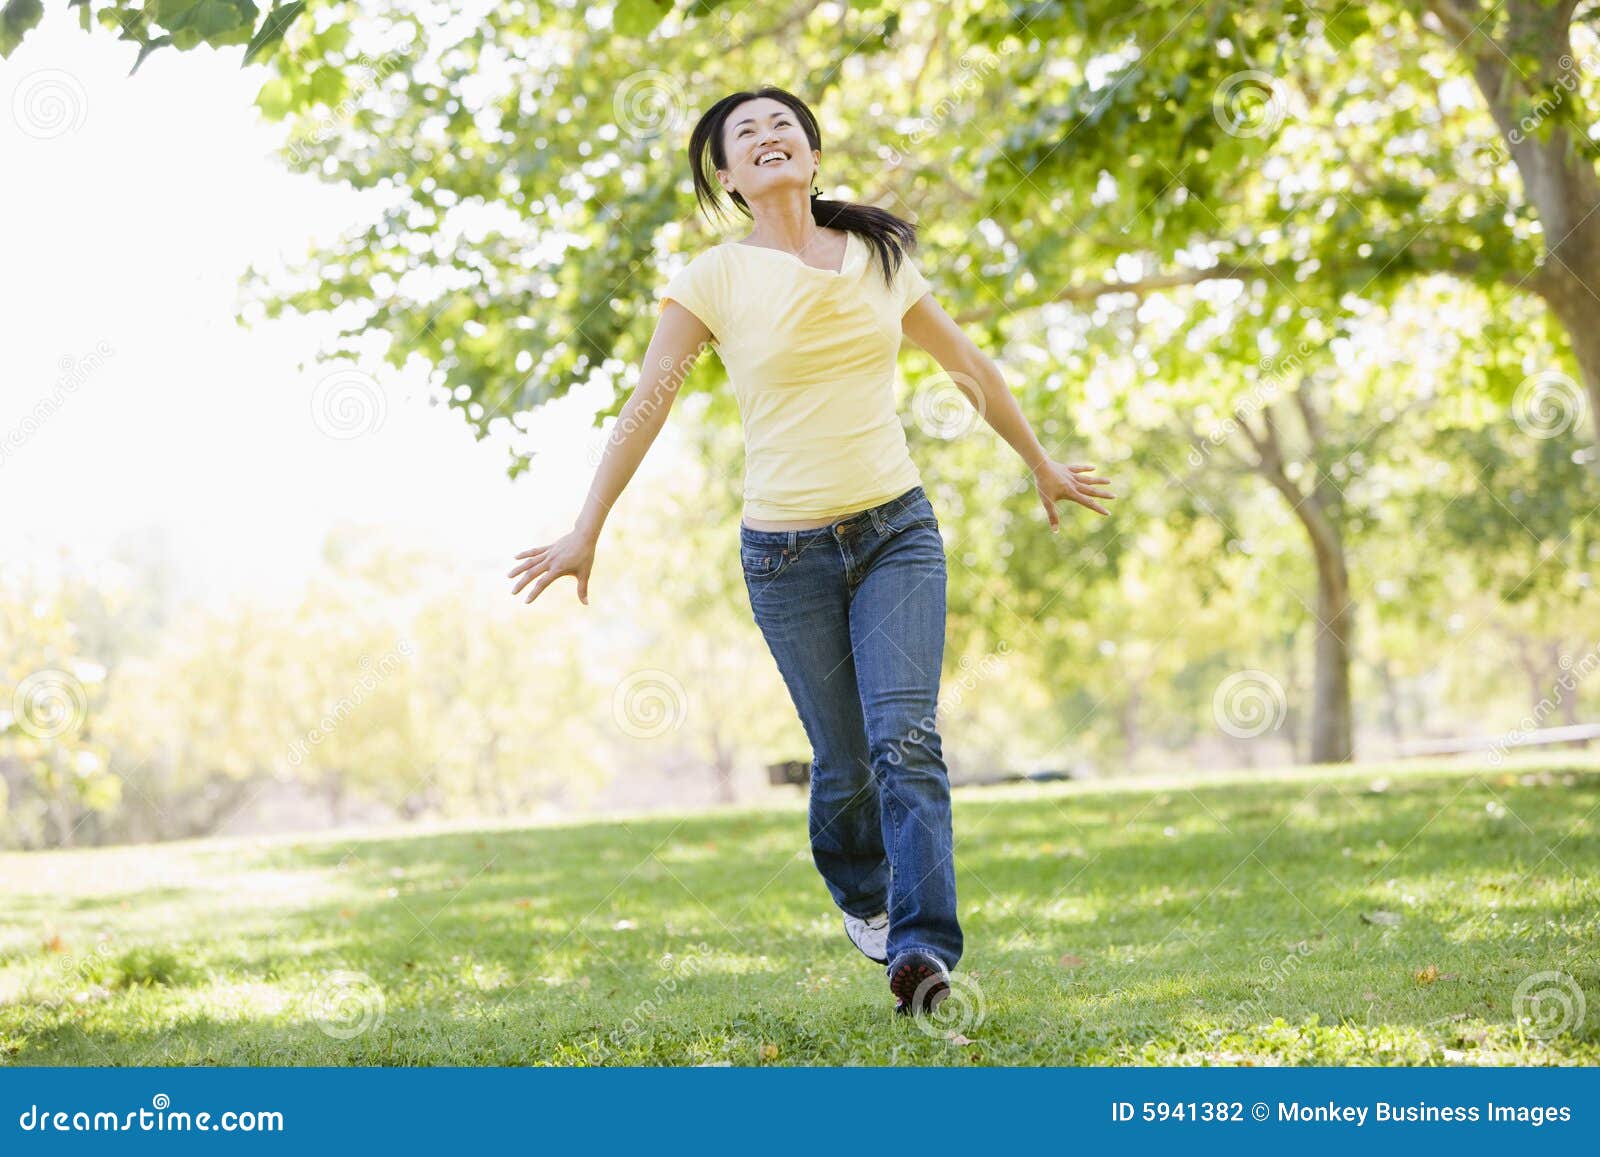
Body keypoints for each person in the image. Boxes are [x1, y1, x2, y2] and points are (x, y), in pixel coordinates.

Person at [508, 85, 1116, 1017]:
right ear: (727, 175)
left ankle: (922, 949)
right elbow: (647, 404)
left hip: (897, 531)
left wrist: (1040, 462)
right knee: (844, 759)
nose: (768, 136)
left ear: (813, 153)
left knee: (905, 739)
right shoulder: (712, 278)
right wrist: (587, 525)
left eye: (782, 125)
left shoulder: (878, 255)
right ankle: (863, 892)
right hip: (786, 556)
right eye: (745, 133)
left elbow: (967, 366)